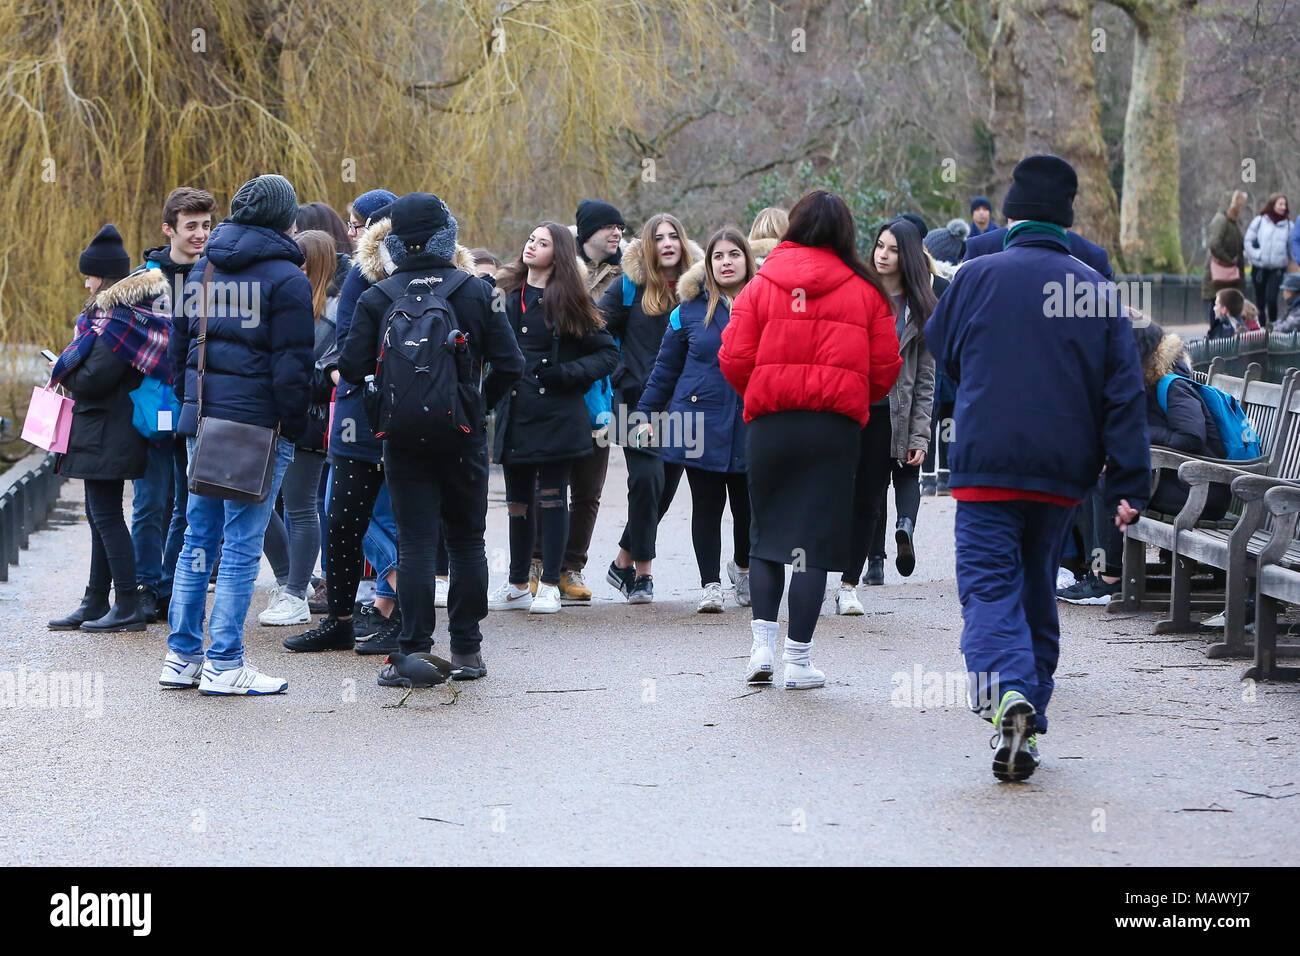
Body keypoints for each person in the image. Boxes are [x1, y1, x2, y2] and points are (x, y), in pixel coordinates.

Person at [925, 154, 1150, 781]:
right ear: (1067, 220)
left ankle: (1010, 696)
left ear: (1011, 214)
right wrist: (1131, 483)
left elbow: (944, 353)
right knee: (1037, 589)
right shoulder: (1099, 293)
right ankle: (1028, 713)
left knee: (990, 588)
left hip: (986, 464)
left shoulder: (975, 276)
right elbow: (1124, 395)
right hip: (1061, 474)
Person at [339, 191, 523, 685]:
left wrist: (385, 405)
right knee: (467, 543)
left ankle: (414, 652)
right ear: (448, 235)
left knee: (417, 544)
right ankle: (467, 651)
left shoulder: (379, 295)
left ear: (395, 241)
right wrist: (477, 404)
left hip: (401, 437)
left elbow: (352, 367)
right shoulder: (477, 291)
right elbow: (512, 364)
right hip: (462, 434)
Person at [720, 190, 901, 689]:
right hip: (833, 428)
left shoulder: (762, 285)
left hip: (772, 425)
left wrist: (764, 388)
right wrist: (853, 393)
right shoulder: (866, 290)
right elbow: (886, 367)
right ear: (846, 231)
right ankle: (798, 660)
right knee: (812, 544)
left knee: (767, 535)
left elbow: (733, 356)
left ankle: (760, 647)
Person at [156, 174, 314, 695]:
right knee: (243, 545)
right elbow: (292, 368)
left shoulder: (204, 266)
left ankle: (181, 658)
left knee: (196, 541)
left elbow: (180, 351)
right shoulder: (288, 279)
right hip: (257, 429)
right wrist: (295, 427)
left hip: (203, 424)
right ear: (281, 218)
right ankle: (225, 663)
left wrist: (191, 410)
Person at [488, 223, 618, 613]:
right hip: (515, 412)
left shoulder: (571, 300)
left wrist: (569, 374)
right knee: (517, 503)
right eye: (530, 239)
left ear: (557, 252)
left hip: (557, 414)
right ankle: (516, 584)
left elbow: (607, 353)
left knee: (552, 498)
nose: (531, 246)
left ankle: (548, 585)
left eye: (542, 242)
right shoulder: (505, 293)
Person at [48, 226, 171, 633]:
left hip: (108, 429)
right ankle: (96, 600)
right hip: (104, 429)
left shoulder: (116, 317)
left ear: (103, 277)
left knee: (106, 517)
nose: (85, 282)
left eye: (89, 275)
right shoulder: (117, 316)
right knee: (101, 515)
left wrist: (63, 368)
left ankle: (128, 605)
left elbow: (96, 378)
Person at [1060, 320, 1228, 606]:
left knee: (1108, 483)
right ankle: (1093, 569)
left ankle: (1108, 580)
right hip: (1171, 478)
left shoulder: (1170, 383)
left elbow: (1191, 437)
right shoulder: (1144, 381)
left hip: (1200, 487)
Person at [638, 227, 755, 613]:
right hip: (695, 421)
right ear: (708, 263)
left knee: (747, 508)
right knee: (706, 506)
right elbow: (665, 369)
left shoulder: (765, 303)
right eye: (718, 256)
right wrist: (644, 414)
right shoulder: (686, 309)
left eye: (733, 255)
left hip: (749, 421)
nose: (726, 262)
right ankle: (710, 584)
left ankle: (743, 568)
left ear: (746, 259)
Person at [521, 199, 629, 605]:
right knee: (544, 486)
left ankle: (570, 566)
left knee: (589, 487)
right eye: (607, 226)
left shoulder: (630, 276)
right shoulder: (554, 273)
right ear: (584, 234)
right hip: (554, 402)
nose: (616, 233)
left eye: (620, 226)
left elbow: (613, 347)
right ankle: (534, 563)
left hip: (600, 395)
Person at [601, 213, 702, 604]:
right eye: (658, 237)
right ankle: (642, 574)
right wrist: (620, 369)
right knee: (646, 481)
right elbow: (597, 331)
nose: (667, 242)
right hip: (636, 403)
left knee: (663, 491)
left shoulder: (699, 288)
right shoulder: (628, 287)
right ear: (648, 245)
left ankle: (621, 560)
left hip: (685, 408)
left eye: (673, 235)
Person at [838, 218, 936, 613]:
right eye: (879, 246)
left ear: (907, 255)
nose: (882, 254)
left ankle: (848, 584)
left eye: (893, 249)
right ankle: (816, 571)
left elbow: (926, 378)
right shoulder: (855, 291)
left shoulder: (921, 307)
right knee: (837, 494)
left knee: (868, 502)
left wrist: (920, 435)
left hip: (889, 415)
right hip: (848, 409)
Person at [132, 188, 216, 624]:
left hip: (197, 407)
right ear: (169, 229)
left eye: (206, 225)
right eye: (191, 226)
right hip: (151, 408)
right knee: (148, 502)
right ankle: (143, 586)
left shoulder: (216, 276)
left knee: (188, 505)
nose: (200, 234)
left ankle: (174, 586)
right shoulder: (143, 282)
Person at [256, 230, 339, 624]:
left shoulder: (334, 314)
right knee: (257, 499)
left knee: (301, 503)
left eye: (298, 258)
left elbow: (329, 373)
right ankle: (293, 578)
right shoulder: (289, 302)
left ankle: (294, 592)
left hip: (310, 420)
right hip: (277, 414)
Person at [963, 197, 1114, 280]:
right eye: (978, 210)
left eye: (984, 209)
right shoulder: (1092, 256)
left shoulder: (980, 247)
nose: (982, 213)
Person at [1200, 189, 1249, 323]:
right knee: (1217, 313)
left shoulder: (1233, 222)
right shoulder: (1221, 220)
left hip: (1230, 278)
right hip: (1219, 277)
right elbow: (1214, 244)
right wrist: (1229, 261)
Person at [1244, 193, 1293, 325]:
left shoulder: (1289, 225)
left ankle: (1272, 325)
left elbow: (1292, 246)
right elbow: (1248, 241)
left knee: (1272, 299)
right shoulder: (1260, 221)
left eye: (1285, 204)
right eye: (1280, 204)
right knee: (1260, 300)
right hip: (1259, 267)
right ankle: (1261, 328)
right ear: (1273, 205)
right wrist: (1257, 255)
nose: (1283, 207)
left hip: (1277, 268)